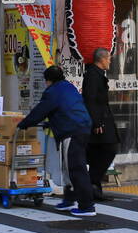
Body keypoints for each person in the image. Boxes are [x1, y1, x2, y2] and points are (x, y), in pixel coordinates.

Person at [17, 66, 96, 217]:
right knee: (68, 168)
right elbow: (64, 109)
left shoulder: (53, 91)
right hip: (82, 127)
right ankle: (69, 200)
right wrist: (51, 123)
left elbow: (41, 110)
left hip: (72, 131)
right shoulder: (68, 87)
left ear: (48, 81)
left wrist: (23, 124)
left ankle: (87, 206)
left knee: (76, 168)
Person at [81, 47, 119, 202]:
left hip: (102, 119)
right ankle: (91, 182)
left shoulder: (97, 74)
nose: (110, 61)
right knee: (110, 148)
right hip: (99, 121)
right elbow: (90, 100)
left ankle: (94, 187)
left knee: (98, 152)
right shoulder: (92, 75)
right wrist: (96, 121)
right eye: (108, 58)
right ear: (102, 59)